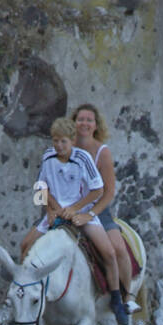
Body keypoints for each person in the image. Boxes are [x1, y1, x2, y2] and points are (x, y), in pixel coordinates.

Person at [20, 117, 129, 325]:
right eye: (55, 141)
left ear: (72, 141)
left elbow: (97, 190)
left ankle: (117, 297)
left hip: (81, 210)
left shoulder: (84, 158)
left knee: (109, 252)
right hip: (57, 211)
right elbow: (42, 186)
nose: (59, 146)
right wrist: (51, 209)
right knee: (25, 244)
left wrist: (76, 210)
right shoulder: (48, 157)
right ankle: (25, 290)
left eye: (63, 142)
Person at [72, 102, 133, 299]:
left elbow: (109, 192)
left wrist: (90, 213)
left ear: (96, 125)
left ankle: (127, 297)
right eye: (80, 119)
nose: (84, 123)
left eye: (89, 120)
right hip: (69, 208)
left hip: (97, 209)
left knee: (119, 249)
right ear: (73, 122)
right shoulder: (65, 146)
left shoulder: (102, 152)